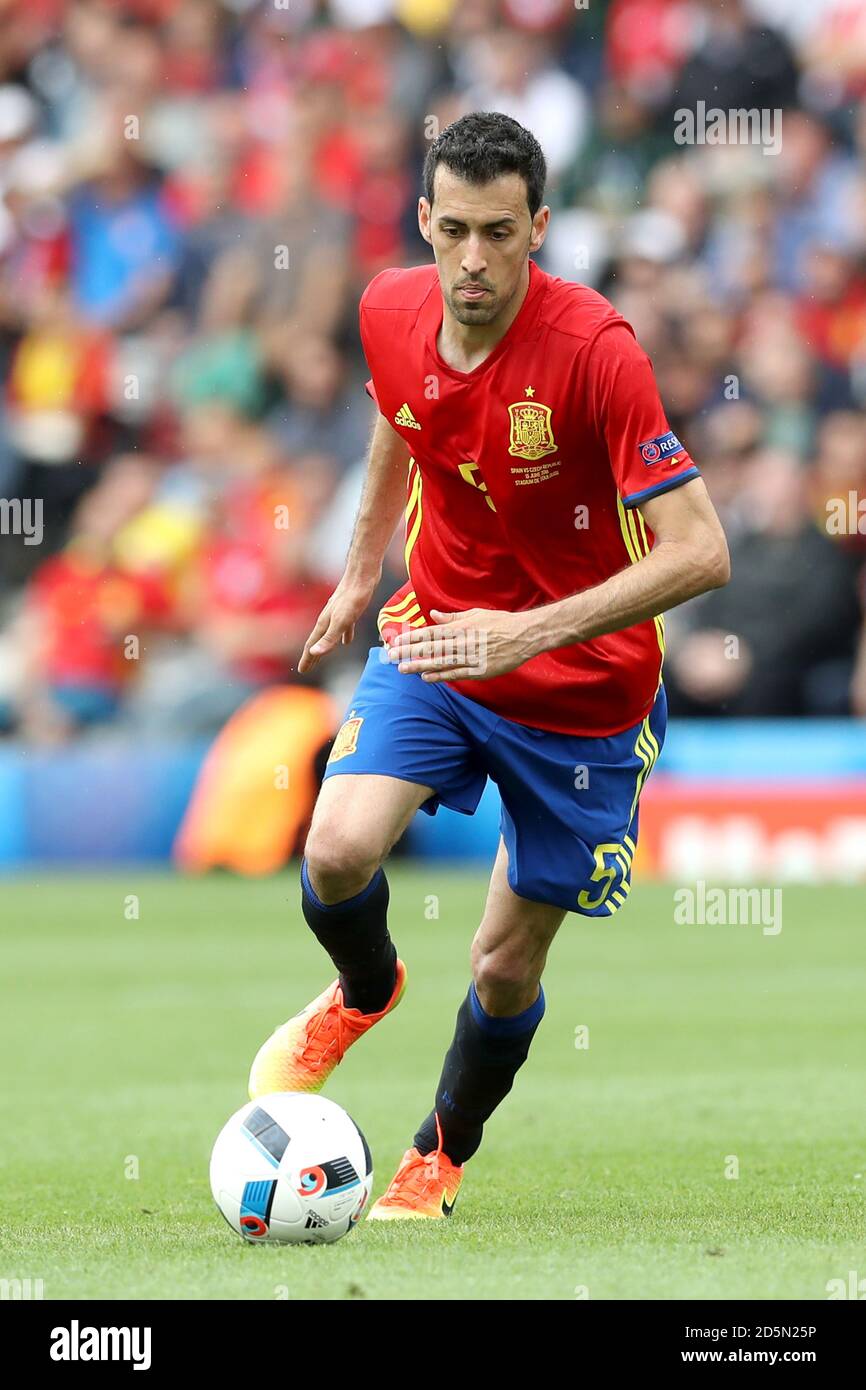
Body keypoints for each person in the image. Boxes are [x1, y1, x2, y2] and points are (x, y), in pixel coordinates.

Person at [248, 112, 730, 1219]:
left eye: (498, 234)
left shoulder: (595, 352)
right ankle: (363, 992)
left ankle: (437, 1152)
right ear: (423, 219)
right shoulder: (386, 307)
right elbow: (398, 413)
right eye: (453, 229)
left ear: (538, 228)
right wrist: (361, 567)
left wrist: (529, 631)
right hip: (437, 638)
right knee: (331, 852)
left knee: (504, 967)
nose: (472, 259)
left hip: (584, 695)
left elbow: (703, 550)